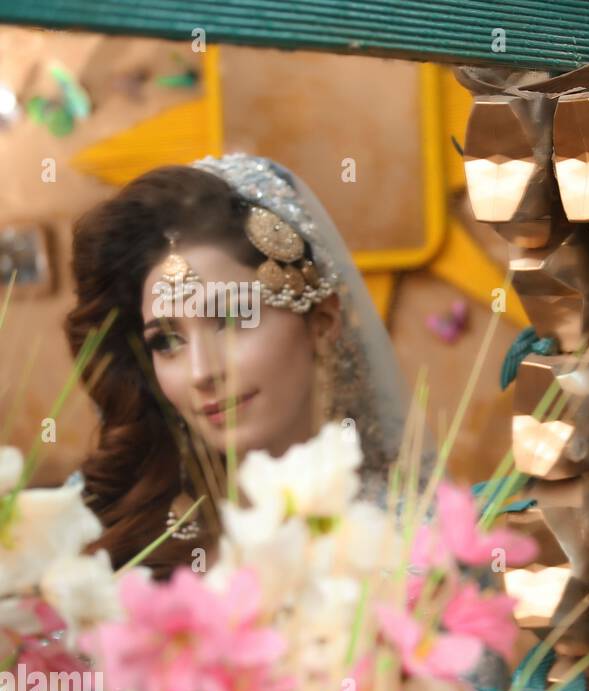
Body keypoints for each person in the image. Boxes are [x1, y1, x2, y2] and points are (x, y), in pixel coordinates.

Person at [63, 154, 411, 576]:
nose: (201, 372)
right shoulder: (88, 531)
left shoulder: (407, 544)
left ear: (320, 321)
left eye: (231, 319)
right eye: (166, 341)